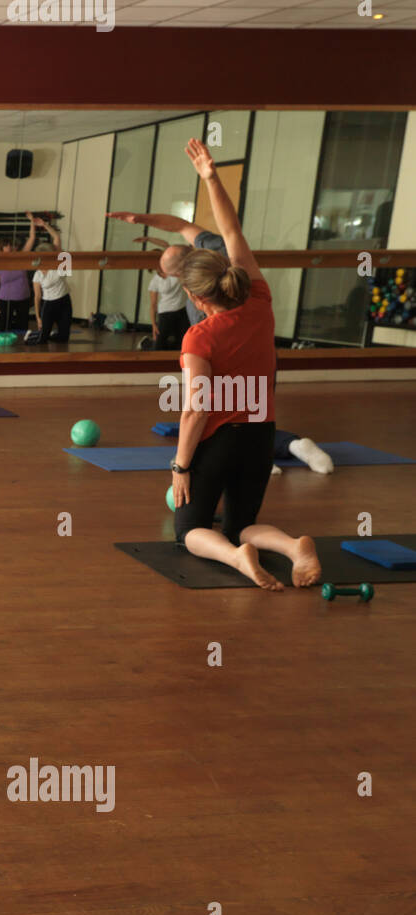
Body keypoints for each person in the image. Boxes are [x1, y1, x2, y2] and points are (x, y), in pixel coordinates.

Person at [168, 137, 321, 592]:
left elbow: (196, 410)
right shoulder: (259, 299)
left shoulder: (199, 335)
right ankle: (293, 547)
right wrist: (211, 178)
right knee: (243, 520)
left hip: (218, 440)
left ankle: (237, 558)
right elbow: (232, 233)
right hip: (261, 433)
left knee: (190, 531)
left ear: (195, 298)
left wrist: (180, 468)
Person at [105, 207, 228, 329]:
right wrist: (140, 218)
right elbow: (181, 225)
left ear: (178, 275)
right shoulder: (222, 250)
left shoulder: (198, 306)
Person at [0, 212, 38, 332]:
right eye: (7, 246)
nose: (10, 247)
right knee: (3, 327)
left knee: (22, 328)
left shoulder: (21, 256)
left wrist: (32, 221)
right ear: (1, 249)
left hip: (23, 298)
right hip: (5, 299)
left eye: (11, 245)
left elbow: (32, 238)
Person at [29, 219, 72, 345]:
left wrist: (44, 225)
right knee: (42, 340)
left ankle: (53, 335)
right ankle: (32, 337)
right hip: (49, 304)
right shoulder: (38, 275)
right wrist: (38, 318)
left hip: (64, 301)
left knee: (63, 338)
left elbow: (56, 237)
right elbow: (37, 297)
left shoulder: (60, 263)